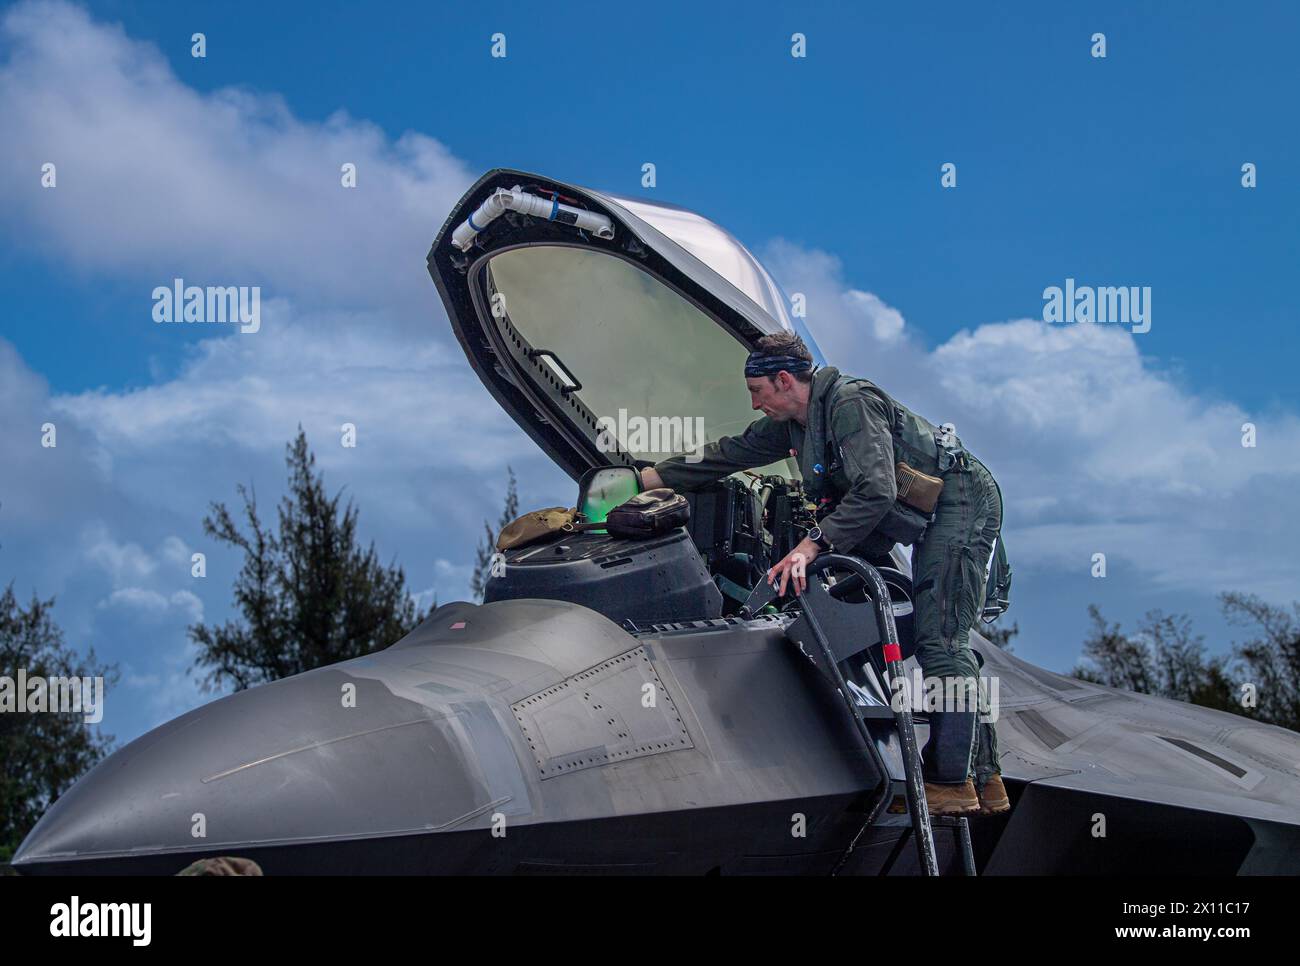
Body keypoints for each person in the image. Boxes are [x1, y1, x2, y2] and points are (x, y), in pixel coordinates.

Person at [640, 332, 1008, 816]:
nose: (754, 404)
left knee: (941, 638)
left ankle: (949, 783)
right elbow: (730, 453)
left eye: (758, 392)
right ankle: (986, 779)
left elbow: (875, 491)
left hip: (960, 505)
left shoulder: (849, 403)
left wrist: (811, 546)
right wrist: (647, 478)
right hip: (927, 515)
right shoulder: (796, 424)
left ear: (785, 380)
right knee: (941, 638)